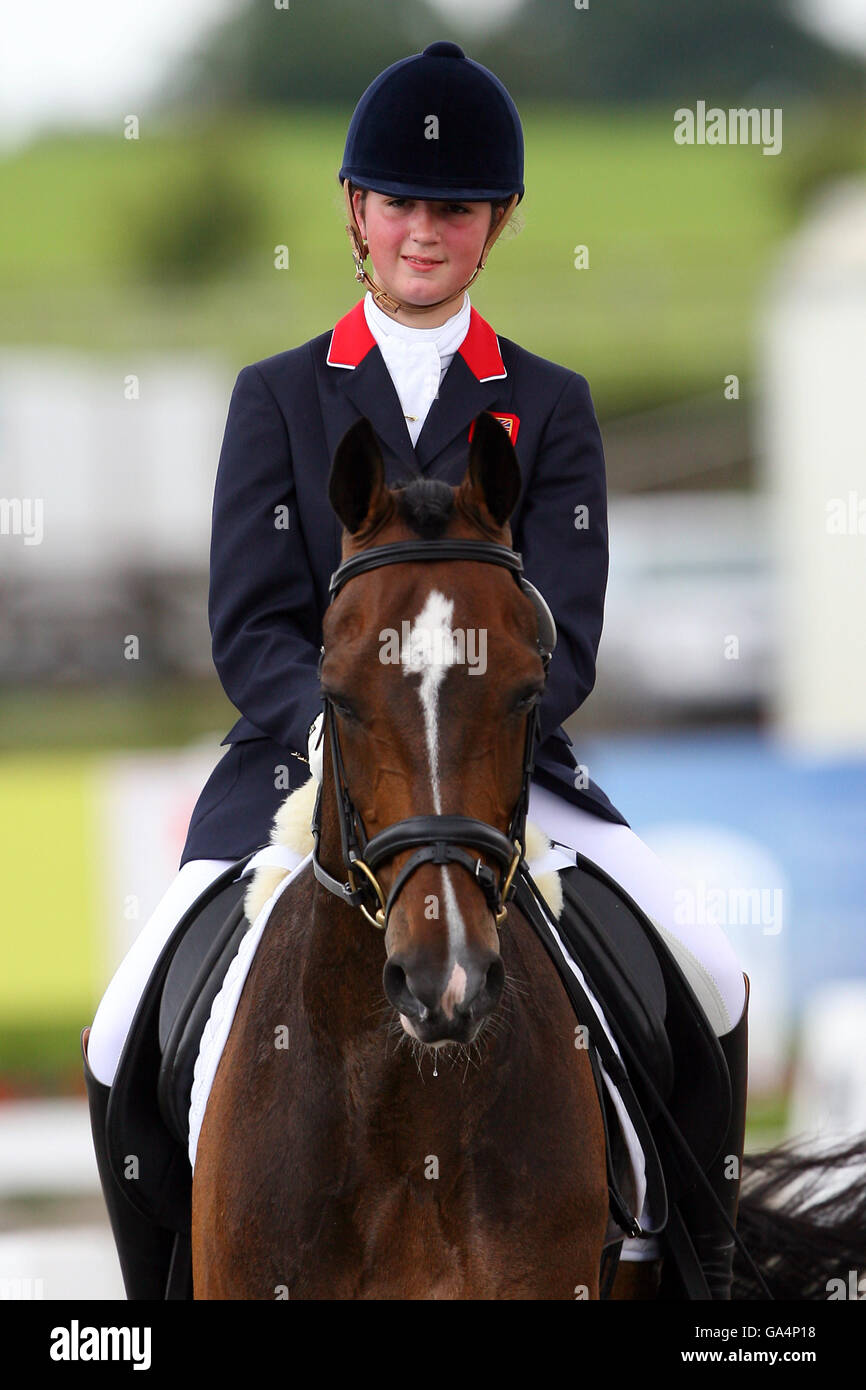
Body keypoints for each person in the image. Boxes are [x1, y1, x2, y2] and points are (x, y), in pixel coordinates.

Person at [82, 40, 747, 1299]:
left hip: (497, 769)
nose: (423, 230)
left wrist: (464, 735)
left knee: (705, 966)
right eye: (399, 202)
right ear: (354, 211)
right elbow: (249, 626)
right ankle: (158, 1284)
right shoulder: (277, 398)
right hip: (303, 764)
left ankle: (707, 1279)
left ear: (495, 221)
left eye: (453, 207)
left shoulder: (548, 405)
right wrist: (343, 738)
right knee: (123, 1017)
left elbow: (573, 633)